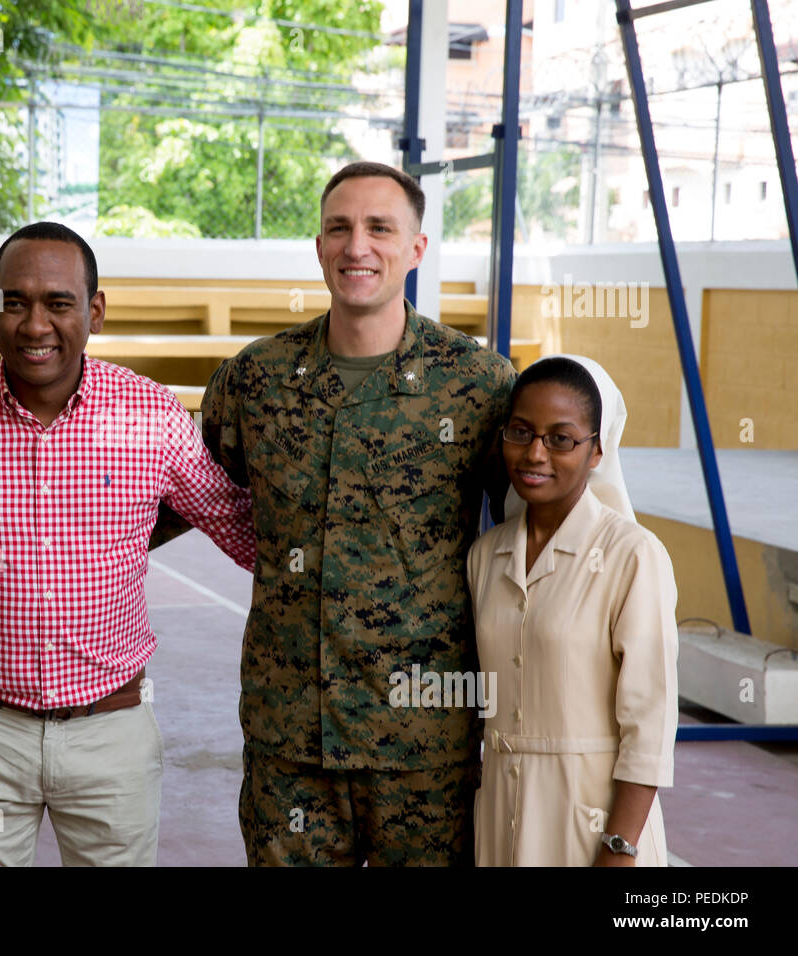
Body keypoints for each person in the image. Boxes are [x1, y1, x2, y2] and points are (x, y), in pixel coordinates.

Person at [0, 221, 256, 867]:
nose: (35, 325)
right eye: (15, 301)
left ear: (95, 311)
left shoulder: (153, 416)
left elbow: (244, 532)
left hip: (111, 733)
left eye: (58, 303)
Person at [198, 161, 517, 866]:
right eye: (339, 228)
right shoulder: (255, 379)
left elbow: (534, 530)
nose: (357, 247)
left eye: (380, 228)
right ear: (318, 246)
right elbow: (179, 493)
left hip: (424, 747)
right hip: (292, 745)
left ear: (416, 249)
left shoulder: (478, 385)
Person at [468, 355, 677, 866]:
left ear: (598, 450)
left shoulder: (632, 555)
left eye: (561, 438)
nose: (535, 453)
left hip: (594, 821)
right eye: (521, 432)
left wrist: (619, 847)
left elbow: (649, 722)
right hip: (500, 813)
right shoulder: (485, 556)